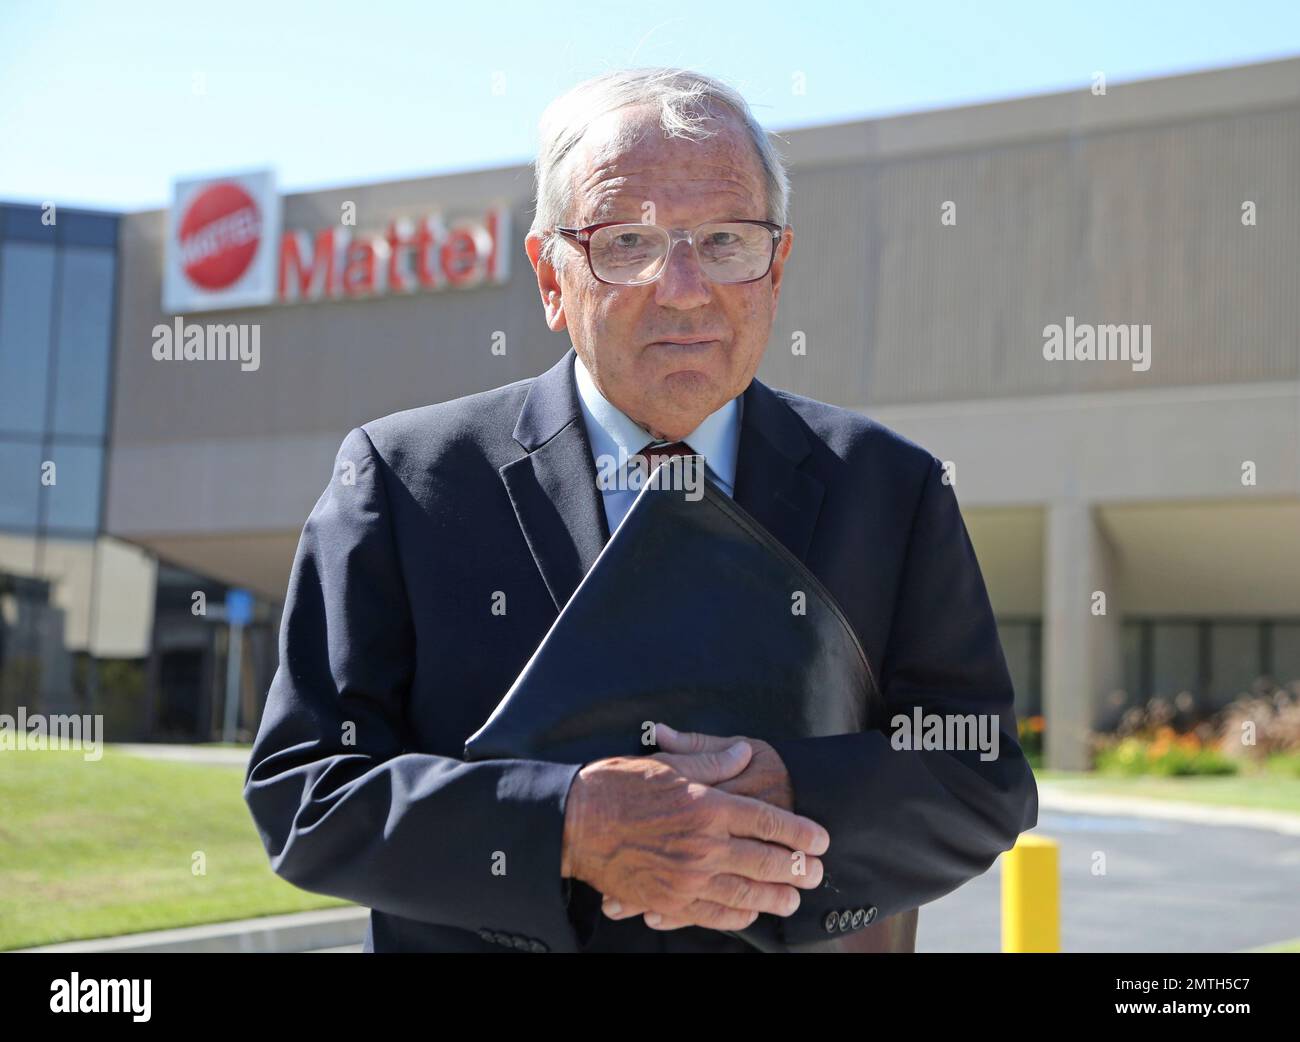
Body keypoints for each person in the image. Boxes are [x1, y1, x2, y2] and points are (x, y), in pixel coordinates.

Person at [243, 66, 1038, 953]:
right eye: (628, 242)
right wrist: (568, 825)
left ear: (777, 267)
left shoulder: (891, 490)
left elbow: (980, 779)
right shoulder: (404, 482)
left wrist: (792, 790)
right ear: (552, 275)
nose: (686, 287)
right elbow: (307, 793)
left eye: (727, 240)